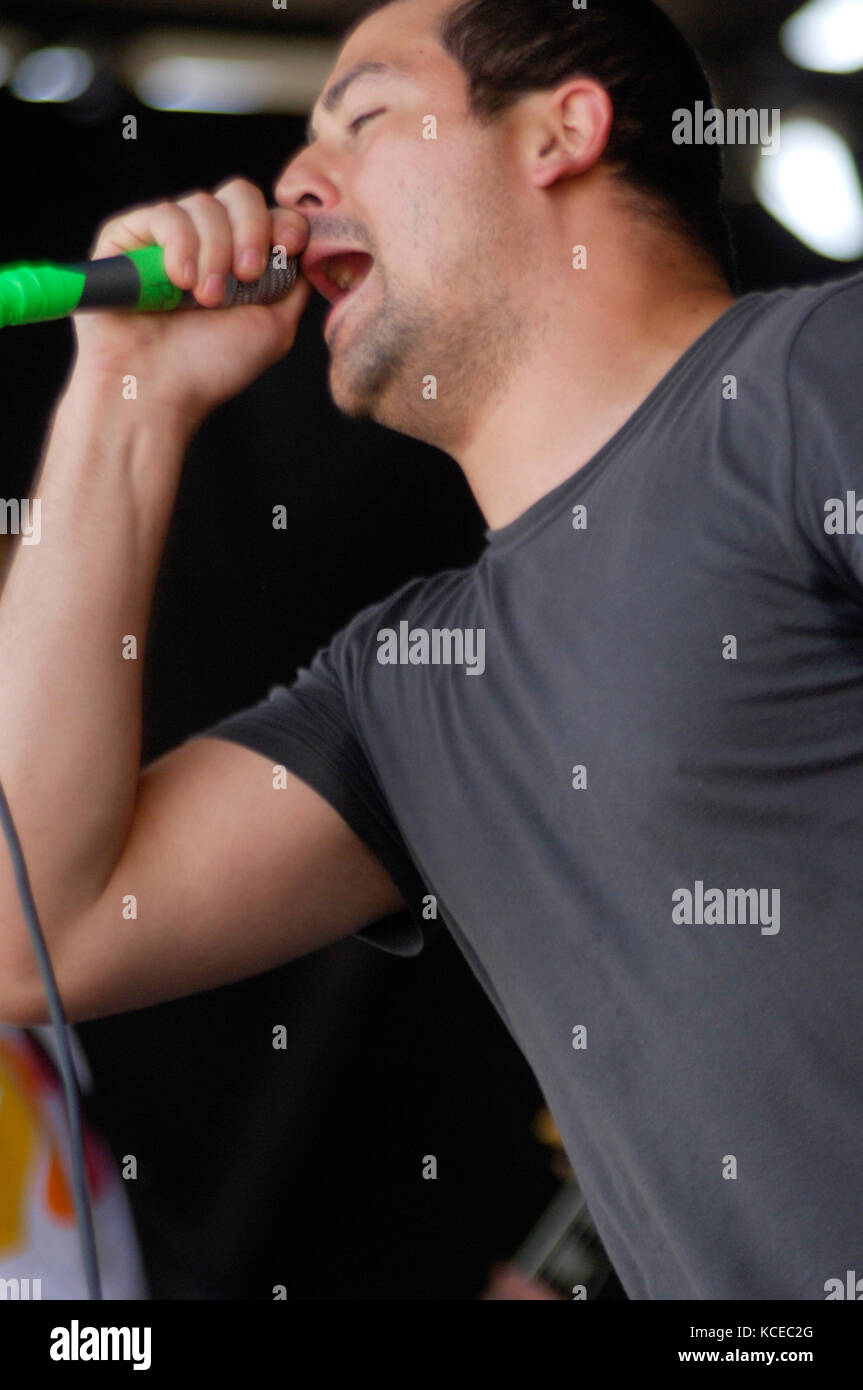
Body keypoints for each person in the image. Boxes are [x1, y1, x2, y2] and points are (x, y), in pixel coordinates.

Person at [1, 0, 861, 1300]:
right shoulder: (409, 685)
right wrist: (126, 394)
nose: (293, 182)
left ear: (563, 131)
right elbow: (33, 935)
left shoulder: (816, 379)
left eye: (363, 117)